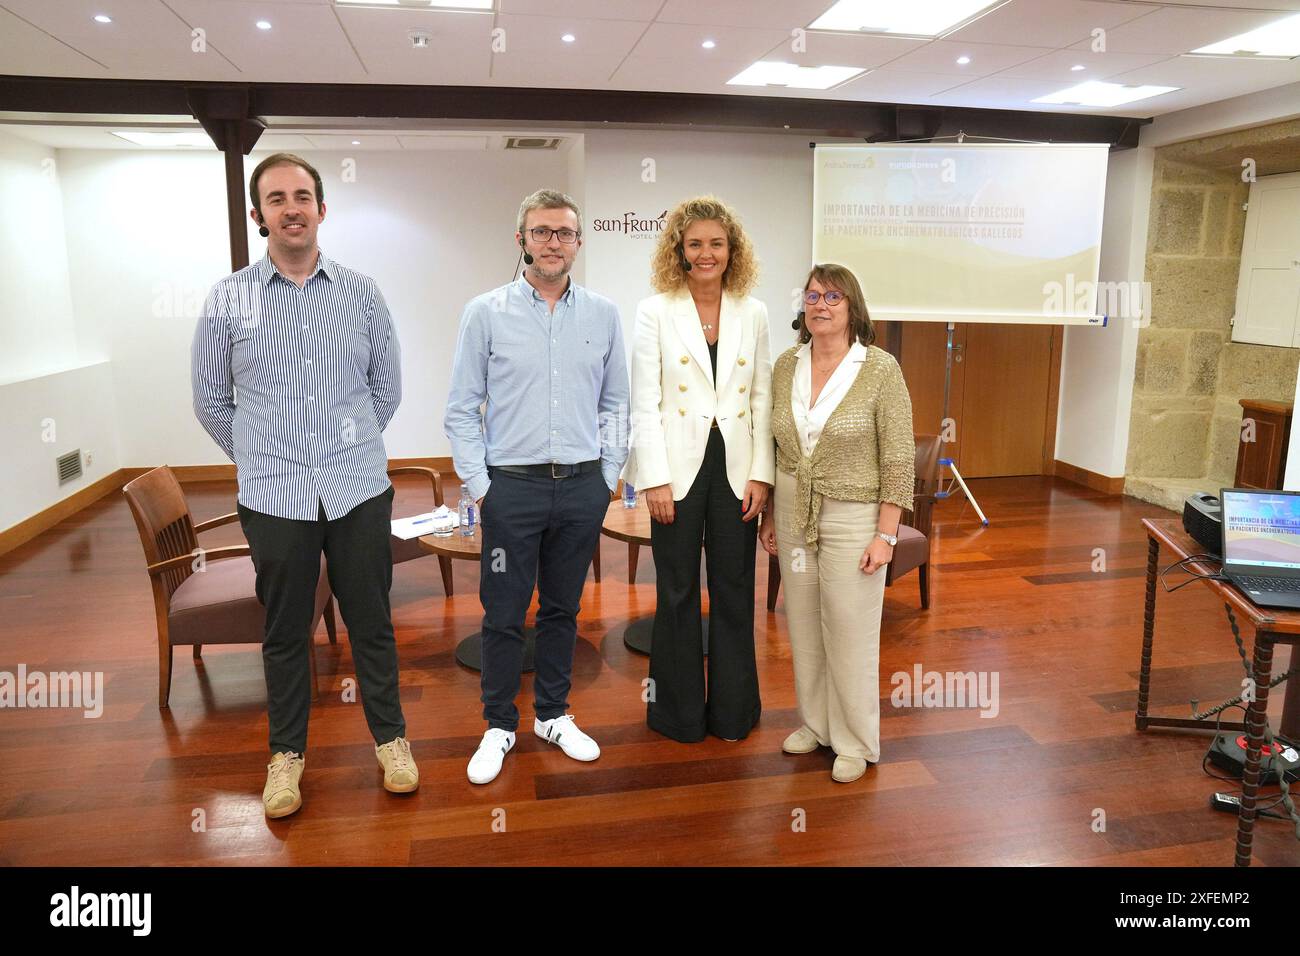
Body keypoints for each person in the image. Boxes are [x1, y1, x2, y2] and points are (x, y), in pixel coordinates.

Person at [191, 152, 418, 819]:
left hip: (355, 490)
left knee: (372, 623)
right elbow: (210, 399)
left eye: (302, 195)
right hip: (273, 497)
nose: (291, 207)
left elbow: (387, 389)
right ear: (259, 214)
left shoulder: (362, 293)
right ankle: (285, 756)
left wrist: (342, 448)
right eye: (276, 198)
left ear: (322, 209)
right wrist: (263, 456)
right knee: (285, 631)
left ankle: (392, 740)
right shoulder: (228, 298)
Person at [445, 188, 629, 785]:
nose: (554, 242)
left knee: (562, 609)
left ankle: (552, 713)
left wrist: (606, 477)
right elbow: (461, 407)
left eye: (565, 233)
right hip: (512, 491)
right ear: (520, 239)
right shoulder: (486, 312)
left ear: (579, 242)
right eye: (542, 231)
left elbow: (617, 404)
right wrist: (481, 486)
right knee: (502, 613)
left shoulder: (603, 314)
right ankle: (499, 725)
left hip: (581, 488)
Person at [622, 195, 774, 743]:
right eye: (695, 245)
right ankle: (677, 714)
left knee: (734, 589)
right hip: (678, 469)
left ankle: (734, 712)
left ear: (732, 250)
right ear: (679, 251)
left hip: (736, 467)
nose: (706, 254)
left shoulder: (751, 311)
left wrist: (763, 474)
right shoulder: (653, 310)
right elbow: (644, 402)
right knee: (678, 589)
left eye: (716, 243)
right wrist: (653, 477)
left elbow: (761, 399)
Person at [758, 263, 914, 783]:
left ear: (852, 308)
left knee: (848, 630)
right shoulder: (785, 365)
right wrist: (771, 516)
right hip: (793, 511)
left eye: (833, 297)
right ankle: (817, 725)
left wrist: (886, 534)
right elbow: (777, 443)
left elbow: (897, 459)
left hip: (853, 516)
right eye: (812, 296)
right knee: (802, 625)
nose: (820, 305)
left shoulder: (879, 369)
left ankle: (855, 740)